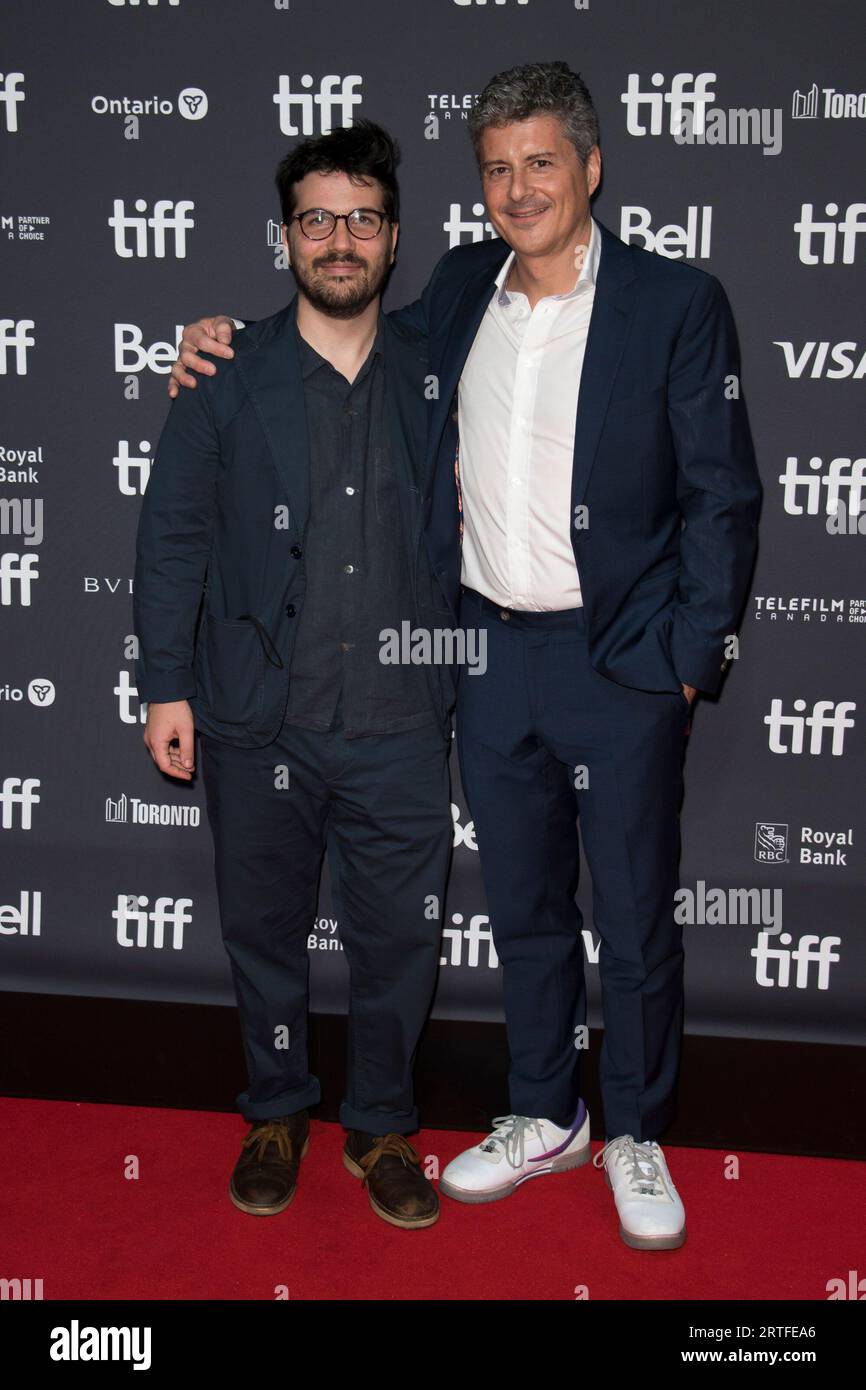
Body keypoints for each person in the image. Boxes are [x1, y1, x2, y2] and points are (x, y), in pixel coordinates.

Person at [167, 62, 762, 1250]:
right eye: (495, 167)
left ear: (590, 168)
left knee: (635, 911)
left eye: (540, 161)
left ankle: (634, 1128)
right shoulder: (454, 289)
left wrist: (685, 661)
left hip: (620, 660)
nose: (517, 187)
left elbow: (722, 496)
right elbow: (336, 329)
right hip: (485, 651)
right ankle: (545, 1110)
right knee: (528, 908)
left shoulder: (672, 302)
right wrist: (217, 338)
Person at [134, 120, 456, 1230]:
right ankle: (275, 1108)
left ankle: (379, 1125)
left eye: (360, 218)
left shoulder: (441, 365)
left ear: (392, 237)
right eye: (316, 218)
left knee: (397, 942)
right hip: (252, 716)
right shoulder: (225, 369)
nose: (338, 239)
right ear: (285, 238)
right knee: (263, 931)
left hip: (401, 717)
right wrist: (163, 682)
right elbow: (172, 533)